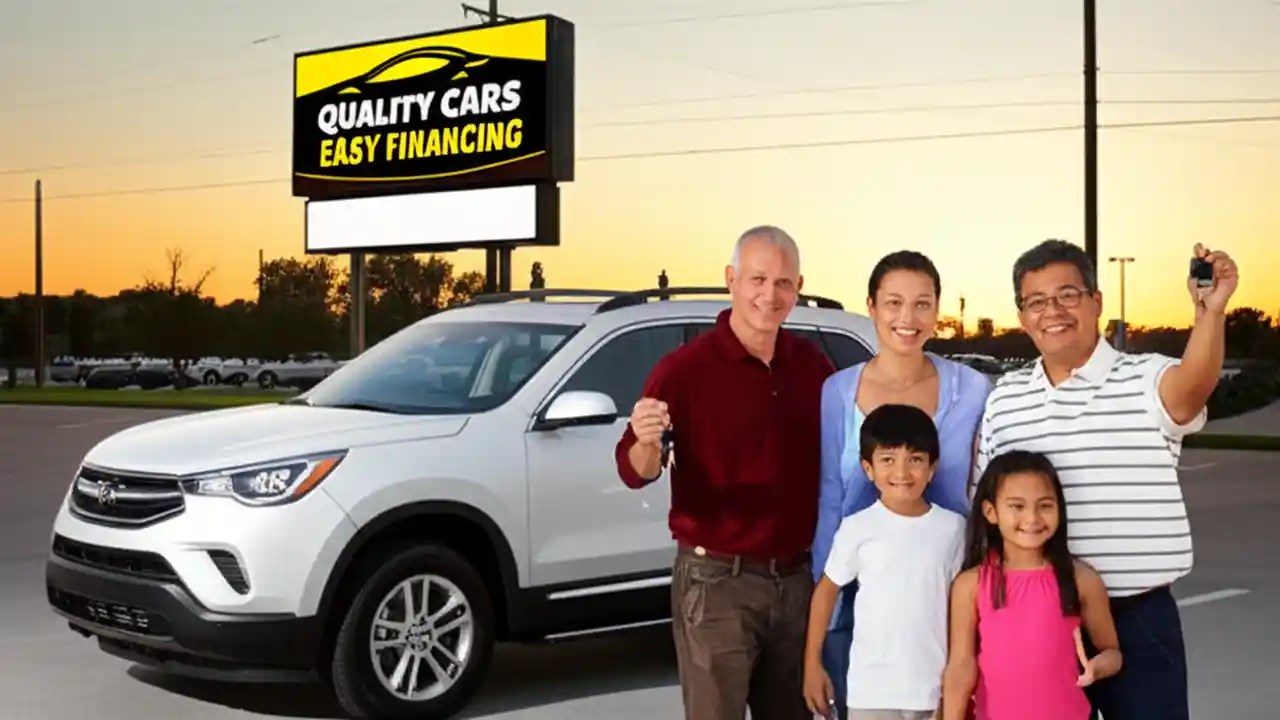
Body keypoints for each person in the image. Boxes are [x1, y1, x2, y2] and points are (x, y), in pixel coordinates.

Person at [975, 240, 1237, 719]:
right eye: (1037, 301)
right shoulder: (1005, 397)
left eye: (1067, 295)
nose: (1052, 311)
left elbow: (1190, 392)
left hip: (1137, 617)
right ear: (1022, 316)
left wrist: (1209, 314)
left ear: (1096, 302)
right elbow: (986, 506)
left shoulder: (1144, 377)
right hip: (1034, 619)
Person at [615, 225, 836, 720]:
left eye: (783, 283)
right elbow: (638, 471)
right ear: (731, 279)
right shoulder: (684, 370)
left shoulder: (813, 368)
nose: (769, 294)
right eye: (757, 279)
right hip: (716, 582)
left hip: (797, 578)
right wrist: (646, 441)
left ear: (798, 287)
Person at [811, 250, 992, 715]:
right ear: (871, 306)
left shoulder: (972, 389)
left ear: (937, 309)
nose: (907, 318)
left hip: (941, 598)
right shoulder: (838, 391)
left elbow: (981, 490)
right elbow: (832, 497)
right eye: (893, 303)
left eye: (922, 304)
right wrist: (825, 616)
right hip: (860, 601)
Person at [803, 403, 967, 720]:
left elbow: (961, 605)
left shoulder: (954, 528)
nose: (902, 473)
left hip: (934, 690)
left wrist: (958, 683)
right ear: (868, 468)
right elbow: (826, 592)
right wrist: (812, 663)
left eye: (915, 460)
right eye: (888, 460)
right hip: (872, 690)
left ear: (932, 468)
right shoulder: (857, 527)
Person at [942, 449, 1123, 720]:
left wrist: (1097, 667)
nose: (1032, 518)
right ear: (991, 512)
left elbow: (1113, 652)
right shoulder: (971, 584)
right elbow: (961, 666)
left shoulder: (1081, 579)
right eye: (1017, 506)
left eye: (1045, 505)